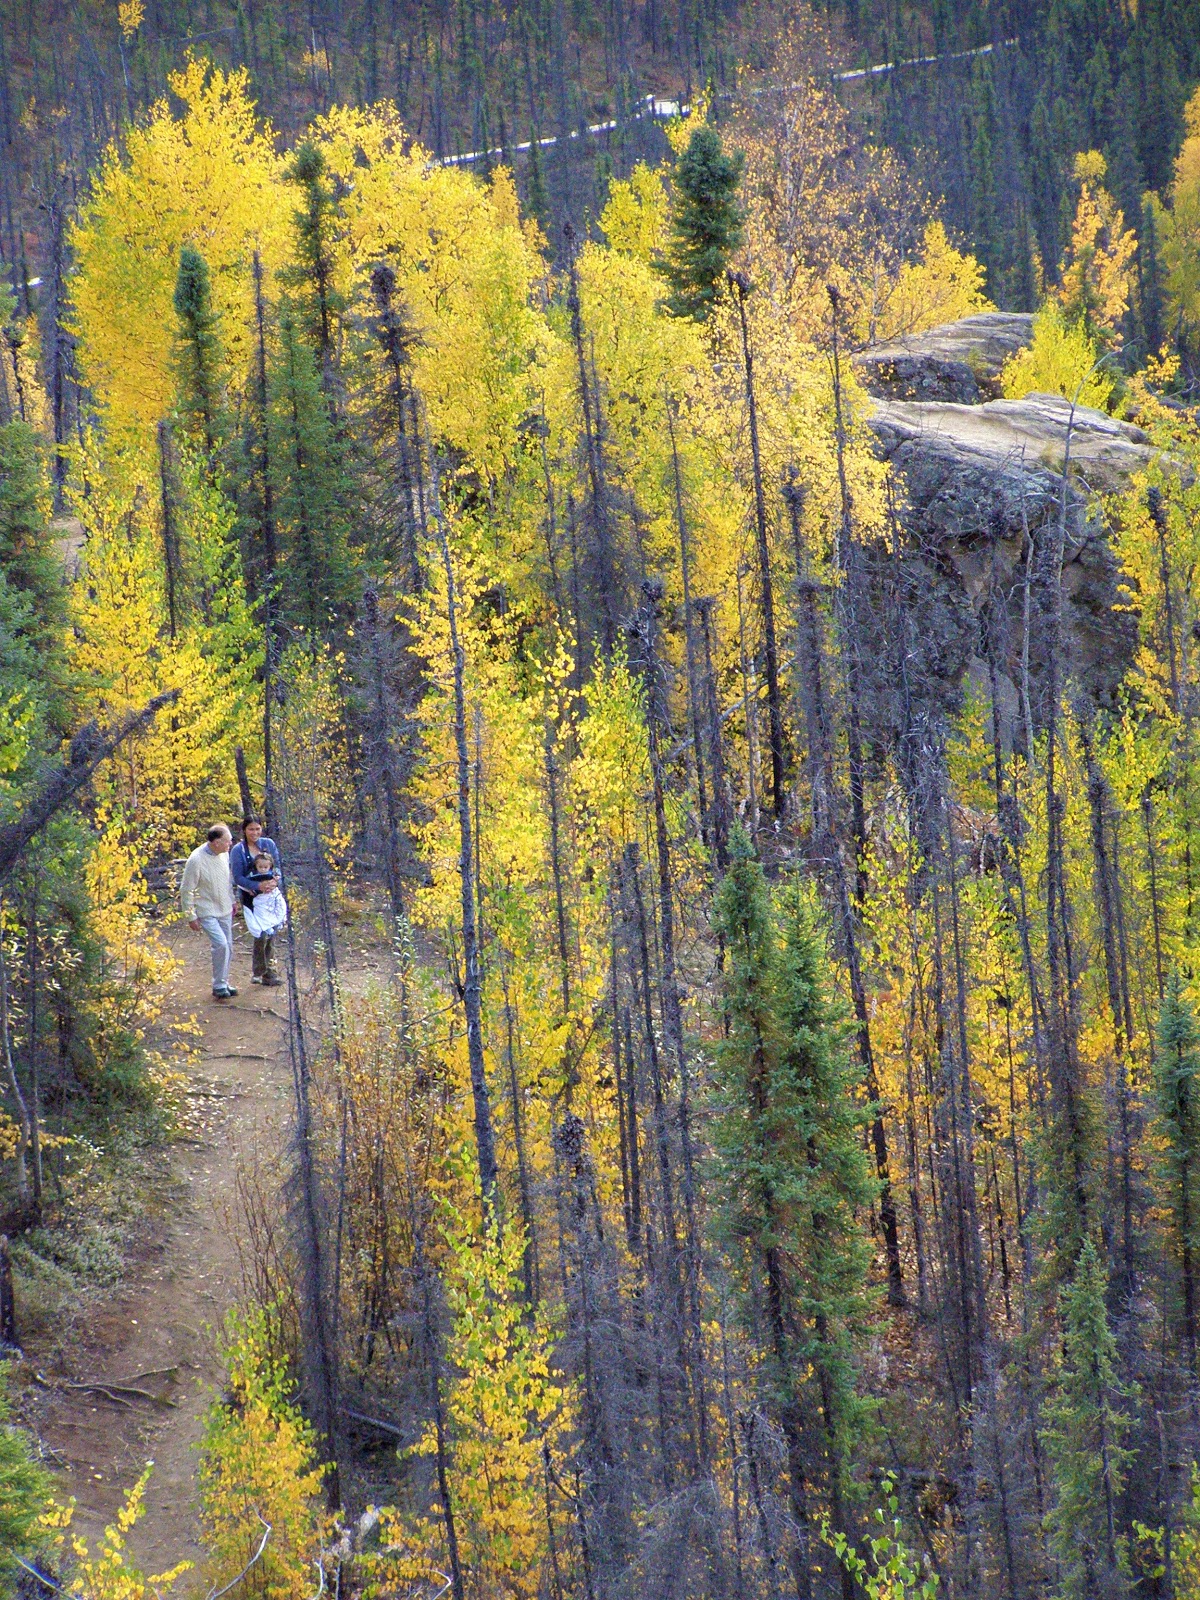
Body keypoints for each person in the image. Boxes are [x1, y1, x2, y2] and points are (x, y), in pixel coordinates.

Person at [180, 823, 238, 1000]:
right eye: (227, 841)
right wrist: (190, 916)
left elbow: (227, 880)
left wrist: (233, 900)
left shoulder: (223, 854)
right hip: (206, 910)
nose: (230, 844)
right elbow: (186, 889)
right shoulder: (196, 859)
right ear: (216, 842)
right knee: (220, 944)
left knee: (228, 946)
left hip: (225, 908)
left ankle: (223, 981)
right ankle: (219, 985)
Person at [230, 816, 283, 987]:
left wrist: (274, 882)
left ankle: (269, 973)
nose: (255, 832)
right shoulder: (238, 850)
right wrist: (257, 885)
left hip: (270, 895)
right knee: (261, 933)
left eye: (257, 829)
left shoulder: (269, 844)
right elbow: (237, 877)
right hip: (251, 896)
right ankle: (259, 970)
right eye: (251, 829)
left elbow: (278, 867)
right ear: (245, 830)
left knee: (271, 931)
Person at [243, 852, 288, 942]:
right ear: (256, 866)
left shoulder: (274, 875)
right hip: (259, 898)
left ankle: (277, 922)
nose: (263, 869)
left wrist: (275, 883)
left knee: (281, 906)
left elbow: (278, 884)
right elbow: (247, 885)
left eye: (265, 867)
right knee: (261, 913)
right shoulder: (252, 875)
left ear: (270, 866)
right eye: (260, 867)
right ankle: (265, 927)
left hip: (272, 896)